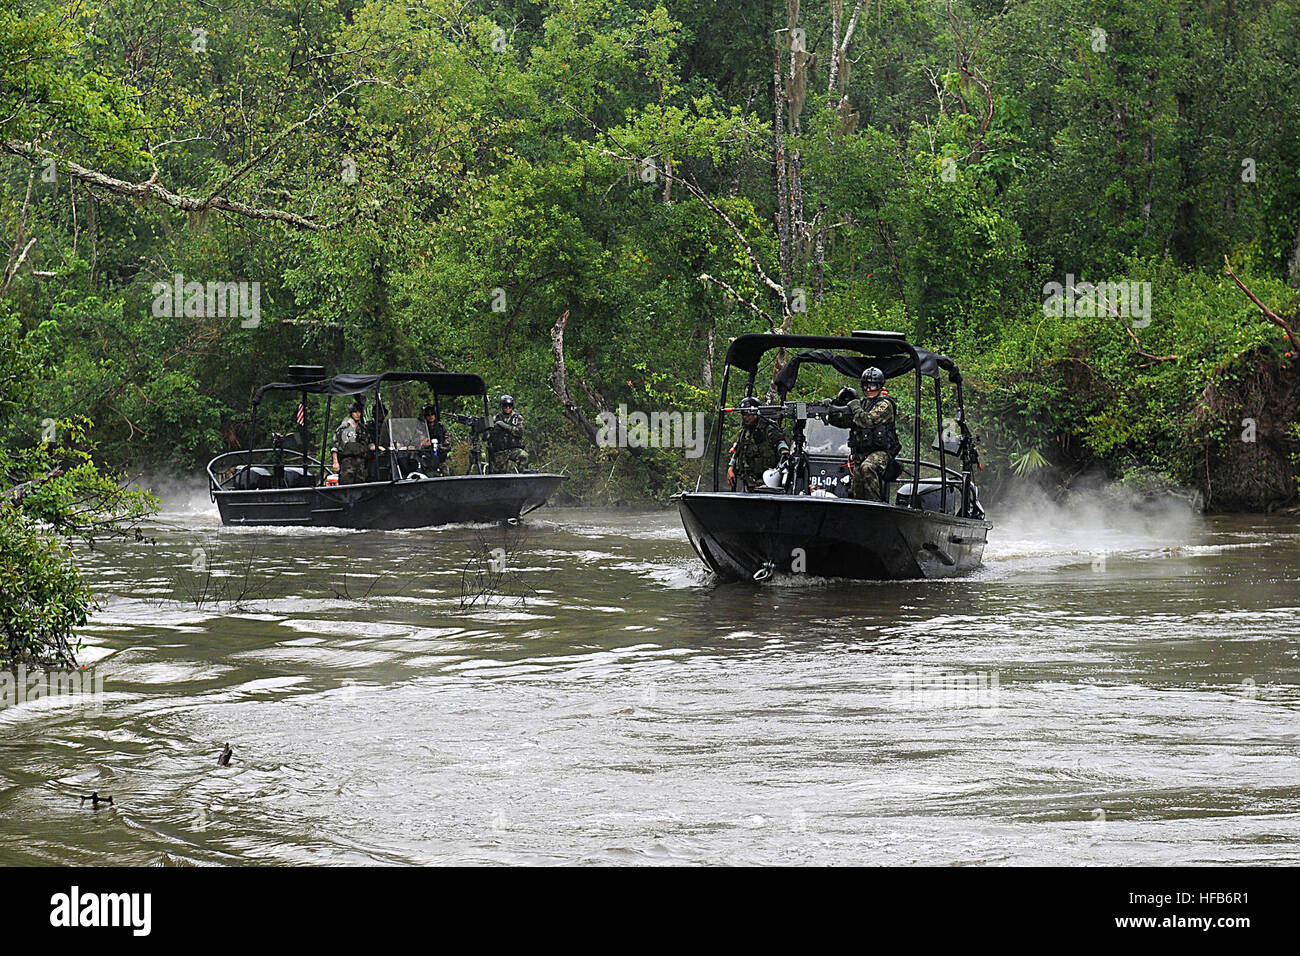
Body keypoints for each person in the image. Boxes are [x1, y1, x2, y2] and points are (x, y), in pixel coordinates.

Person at [826, 367, 900, 501]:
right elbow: (843, 421)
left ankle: (875, 508)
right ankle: (860, 513)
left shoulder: (885, 405)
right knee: (857, 485)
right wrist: (832, 408)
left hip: (881, 453)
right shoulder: (862, 404)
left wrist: (854, 406)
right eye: (866, 385)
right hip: (861, 454)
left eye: (872, 385)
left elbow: (867, 420)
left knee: (868, 468)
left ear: (879, 386)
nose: (868, 389)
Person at [727, 396, 789, 492]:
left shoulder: (768, 428)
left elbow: (780, 442)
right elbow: (737, 450)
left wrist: (784, 452)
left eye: (748, 415)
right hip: (749, 481)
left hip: (768, 480)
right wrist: (731, 468)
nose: (745, 417)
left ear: (756, 414)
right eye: (743, 414)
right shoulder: (744, 432)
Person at [487, 394, 528, 473]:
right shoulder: (495, 418)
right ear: (501, 406)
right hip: (500, 451)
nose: (508, 408)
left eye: (510, 406)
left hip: (513, 449)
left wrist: (504, 426)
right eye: (505, 406)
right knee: (499, 474)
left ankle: (522, 477)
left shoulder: (517, 418)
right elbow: (488, 436)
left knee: (523, 455)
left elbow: (519, 432)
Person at [331, 402, 370, 484]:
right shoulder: (344, 427)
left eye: (359, 412)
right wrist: (335, 462)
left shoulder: (362, 429)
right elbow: (335, 445)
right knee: (347, 485)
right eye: (355, 412)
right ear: (351, 413)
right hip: (347, 462)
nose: (357, 414)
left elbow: (367, 443)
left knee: (361, 487)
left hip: (361, 463)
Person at [418, 404, 450, 476]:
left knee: (446, 476)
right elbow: (419, 442)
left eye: (432, 414)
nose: (431, 416)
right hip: (427, 457)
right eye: (428, 415)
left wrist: (439, 447)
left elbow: (448, 442)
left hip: (441, 457)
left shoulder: (441, 427)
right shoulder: (422, 428)